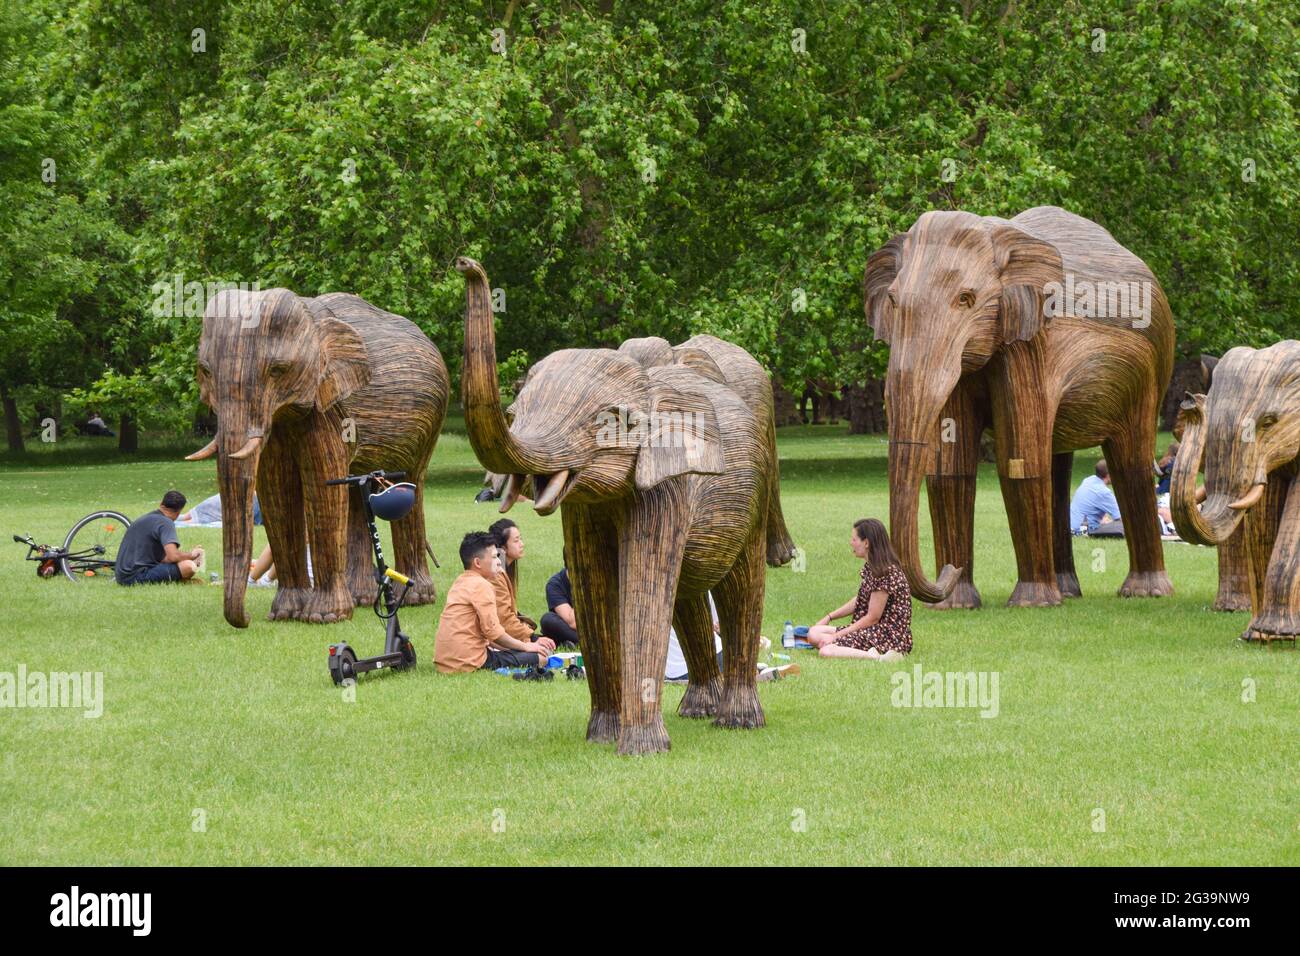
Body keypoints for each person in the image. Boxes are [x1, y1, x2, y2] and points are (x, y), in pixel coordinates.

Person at [434, 532, 555, 674]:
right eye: (493, 557)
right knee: (541, 658)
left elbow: (486, 633)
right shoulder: (482, 585)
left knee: (516, 651)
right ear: (477, 563)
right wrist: (526, 646)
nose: (498, 561)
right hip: (470, 662)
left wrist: (521, 645)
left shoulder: (459, 582)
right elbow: (494, 632)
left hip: (444, 663)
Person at [806, 518, 912, 660]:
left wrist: (835, 637)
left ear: (866, 543)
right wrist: (829, 617)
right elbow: (861, 599)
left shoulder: (884, 572)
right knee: (813, 633)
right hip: (873, 630)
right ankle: (857, 648)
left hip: (887, 635)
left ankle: (878, 658)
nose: (851, 543)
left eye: (854, 539)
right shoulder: (873, 567)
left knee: (826, 651)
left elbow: (872, 618)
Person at [114, 490, 204, 586]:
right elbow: (172, 556)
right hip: (136, 577)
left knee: (186, 562)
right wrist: (192, 555)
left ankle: (177, 578)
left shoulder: (145, 518)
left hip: (121, 577)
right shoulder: (166, 522)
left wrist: (185, 557)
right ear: (179, 512)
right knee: (189, 566)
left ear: (161, 503)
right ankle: (180, 580)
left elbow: (163, 558)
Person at [488, 518, 538, 642]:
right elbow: (504, 619)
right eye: (516, 540)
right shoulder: (495, 575)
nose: (522, 544)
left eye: (520, 539)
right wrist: (533, 637)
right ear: (503, 548)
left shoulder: (504, 570)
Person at [1069, 459, 1122, 534]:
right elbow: (1121, 518)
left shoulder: (1088, 480)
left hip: (1071, 526)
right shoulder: (1104, 492)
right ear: (1108, 475)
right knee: (1124, 527)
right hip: (1082, 531)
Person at [540, 565, 579, 648]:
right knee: (548, 620)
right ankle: (580, 641)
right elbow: (573, 622)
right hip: (571, 629)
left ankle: (570, 642)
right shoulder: (555, 584)